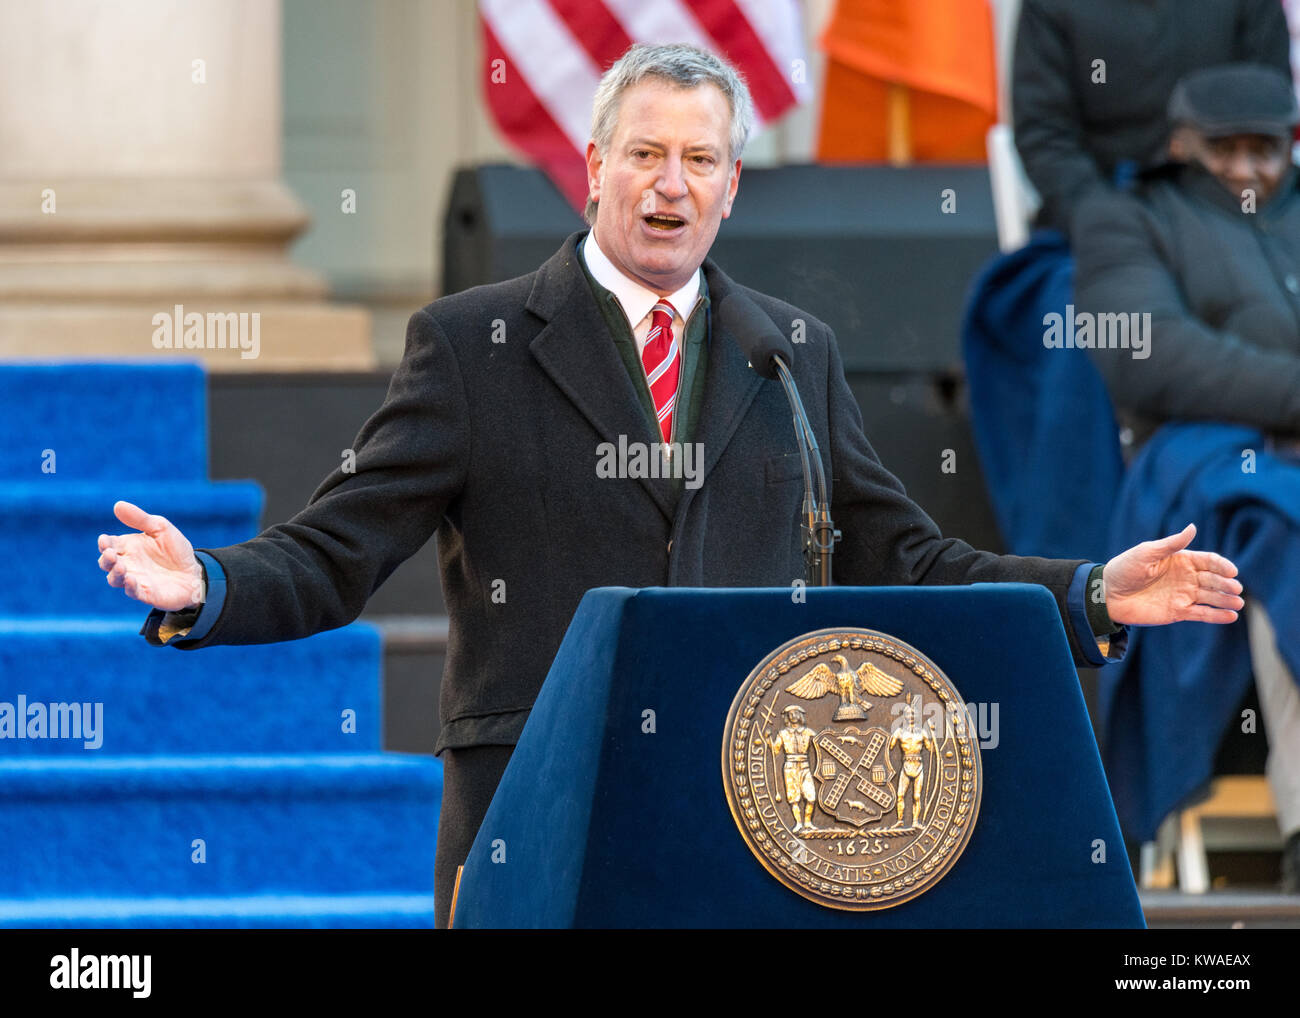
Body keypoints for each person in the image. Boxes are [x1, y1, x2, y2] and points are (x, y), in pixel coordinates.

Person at [97, 44, 1245, 927]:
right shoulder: (471, 344)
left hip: (737, 818)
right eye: (644, 153)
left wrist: (1089, 592)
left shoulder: (790, 350)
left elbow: (906, 559)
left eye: (699, 160)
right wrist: (202, 580)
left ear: (733, 187)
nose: (670, 184)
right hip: (546, 810)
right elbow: (337, 546)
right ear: (594, 169)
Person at [1074, 62, 1300, 890]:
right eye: (1224, 149)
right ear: (1179, 144)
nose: (1245, 169)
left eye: (1264, 150)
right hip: (1200, 463)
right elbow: (1150, 358)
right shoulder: (1126, 216)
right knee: (1288, 528)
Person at [1012, 0, 1290, 238]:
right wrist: (1106, 221)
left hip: (1235, 222)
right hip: (1103, 224)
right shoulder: (1051, 6)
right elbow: (1045, 136)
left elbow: (1269, 117)